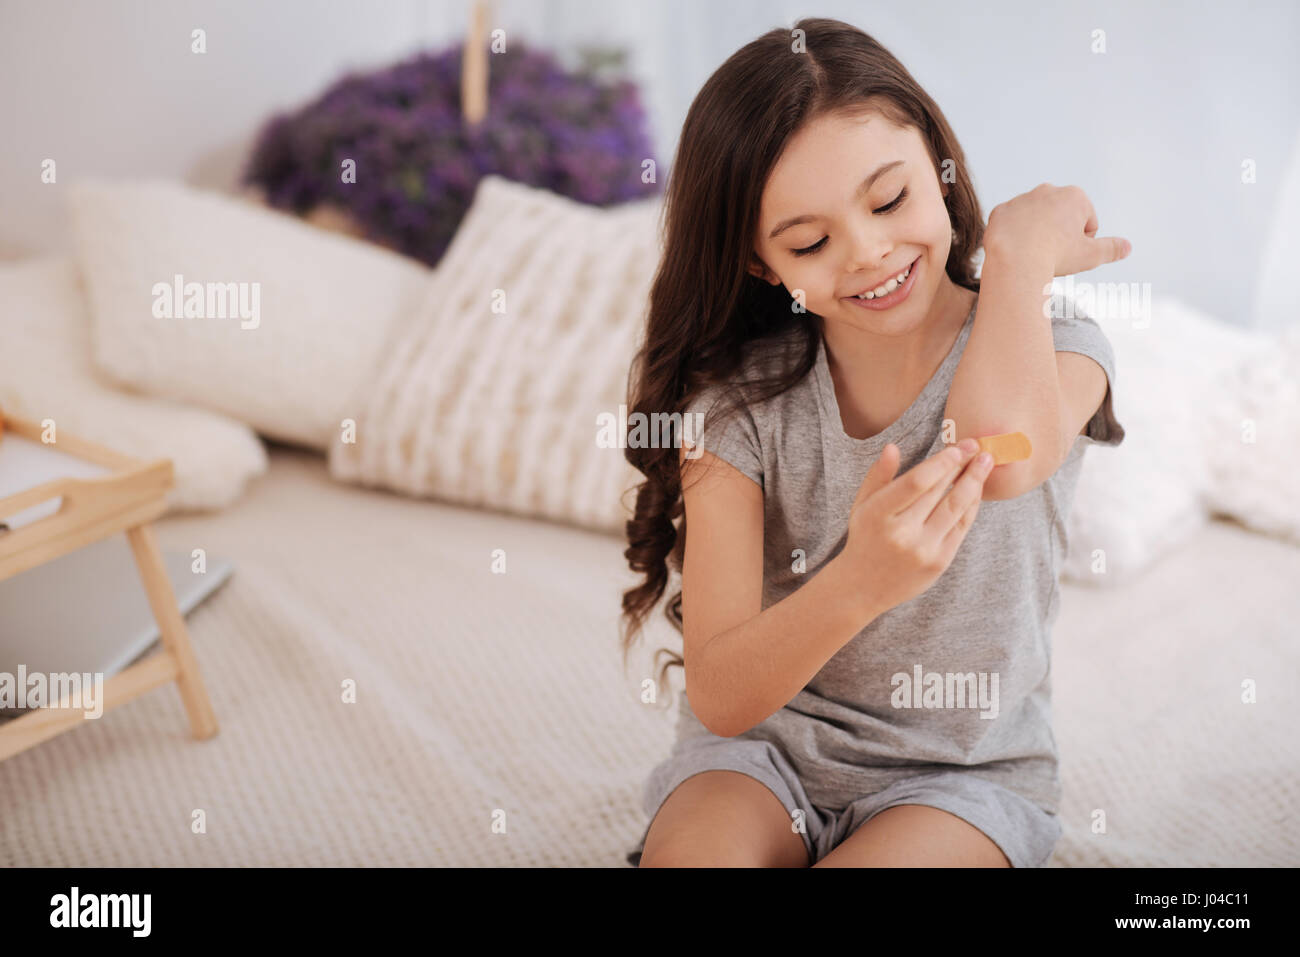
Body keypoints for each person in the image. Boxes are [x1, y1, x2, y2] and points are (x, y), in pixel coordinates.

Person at [620, 16, 1128, 868]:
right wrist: (857, 582)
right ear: (759, 266)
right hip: (759, 758)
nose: (869, 252)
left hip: (961, 775)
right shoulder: (736, 405)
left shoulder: (1060, 346)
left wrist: (1013, 259)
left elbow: (1000, 452)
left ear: (938, 167)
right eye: (810, 242)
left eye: (889, 200)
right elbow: (721, 694)